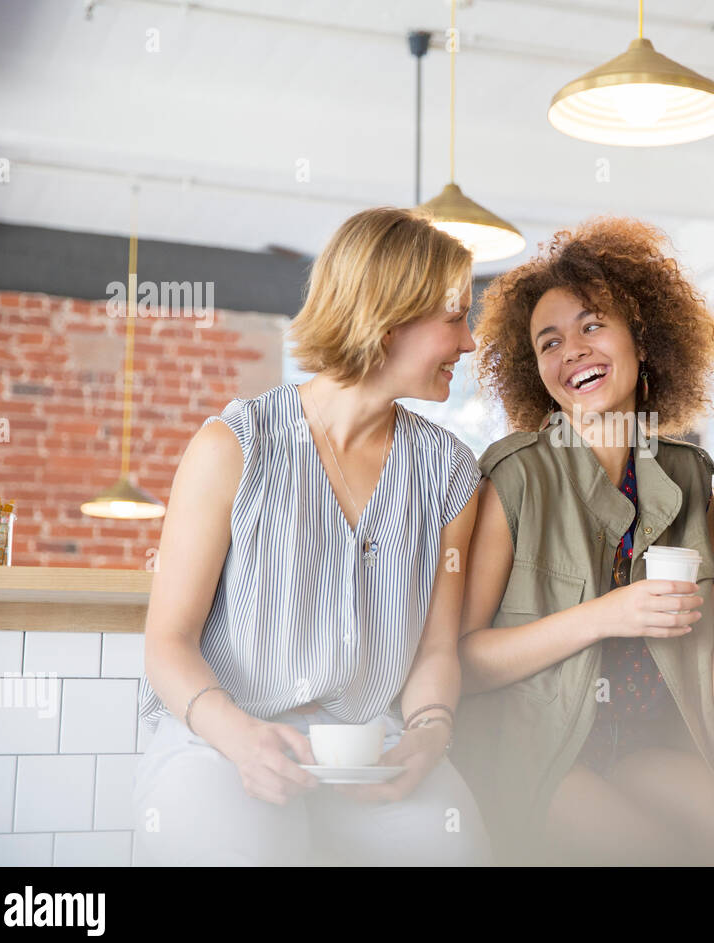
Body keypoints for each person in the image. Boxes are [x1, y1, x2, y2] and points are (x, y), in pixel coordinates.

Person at [134, 207, 490, 866]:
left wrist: (430, 734)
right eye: (454, 318)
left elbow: (436, 650)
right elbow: (167, 643)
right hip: (219, 738)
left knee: (456, 846)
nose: (469, 343)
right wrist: (240, 738)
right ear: (389, 316)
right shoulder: (234, 444)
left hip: (367, 749)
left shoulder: (449, 472)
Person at [454, 218, 714, 865]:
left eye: (593, 326)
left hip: (652, 742)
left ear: (640, 338)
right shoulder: (515, 472)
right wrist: (606, 615)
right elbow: (466, 661)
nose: (573, 352)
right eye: (550, 341)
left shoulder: (685, 470)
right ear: (535, 370)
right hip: (545, 754)